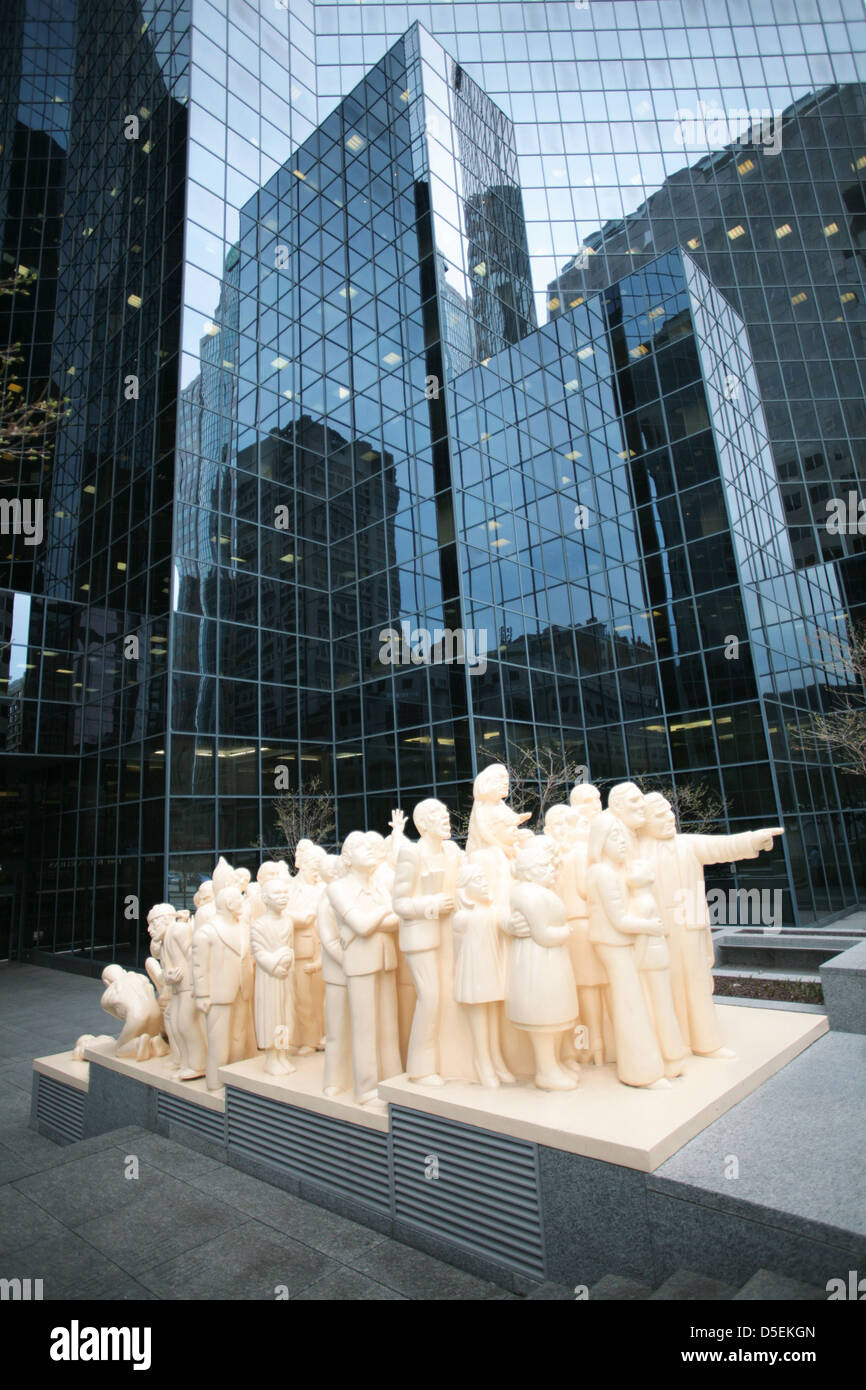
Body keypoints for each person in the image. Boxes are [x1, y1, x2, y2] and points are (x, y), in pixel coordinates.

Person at [639, 793, 784, 1057]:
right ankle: (673, 1044)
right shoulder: (635, 851)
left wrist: (754, 839)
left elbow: (723, 846)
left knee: (698, 984)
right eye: (659, 815)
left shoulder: (686, 844)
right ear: (643, 822)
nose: (670, 818)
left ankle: (706, 1043)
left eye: (669, 811)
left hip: (691, 925)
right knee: (665, 988)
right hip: (658, 931)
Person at [586, 812, 669, 1090]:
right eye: (614, 836)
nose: (621, 842)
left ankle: (643, 1067)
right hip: (614, 946)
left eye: (622, 836)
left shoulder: (611, 872)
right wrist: (649, 926)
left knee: (630, 1005)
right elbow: (619, 920)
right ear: (599, 841)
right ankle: (641, 1072)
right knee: (630, 1007)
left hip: (619, 945)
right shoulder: (603, 873)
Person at [327, 831, 401, 1104]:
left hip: (384, 959)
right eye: (360, 846)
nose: (369, 849)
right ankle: (367, 1088)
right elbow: (360, 924)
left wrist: (369, 922)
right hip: (359, 964)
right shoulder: (338, 888)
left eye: (371, 846)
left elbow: (396, 921)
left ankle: (392, 1079)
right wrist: (381, 914)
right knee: (365, 1028)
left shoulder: (379, 885)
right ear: (346, 857)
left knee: (388, 1025)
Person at [392, 799, 463, 1086]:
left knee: (449, 997)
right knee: (430, 998)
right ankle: (420, 1067)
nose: (446, 817)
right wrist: (431, 904)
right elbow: (399, 903)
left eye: (447, 813)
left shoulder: (452, 850)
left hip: (449, 935)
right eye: (438, 815)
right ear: (422, 824)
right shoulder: (411, 854)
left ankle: (450, 1060)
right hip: (421, 937)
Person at [506, 836, 580, 1091]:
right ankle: (546, 1070)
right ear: (532, 870)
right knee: (544, 1014)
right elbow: (543, 934)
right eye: (546, 867)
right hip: (539, 960)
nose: (553, 871)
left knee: (554, 1013)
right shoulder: (528, 894)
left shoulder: (537, 891)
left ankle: (554, 1065)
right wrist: (567, 931)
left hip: (549, 959)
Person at [191, 856, 257, 1091]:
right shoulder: (207, 931)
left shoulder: (242, 927)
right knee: (218, 1041)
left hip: (242, 989)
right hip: (219, 994)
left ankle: (238, 1079)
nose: (243, 901)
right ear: (229, 903)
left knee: (239, 1036)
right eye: (239, 900)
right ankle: (215, 1081)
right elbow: (199, 966)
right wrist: (202, 995)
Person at [452, 859, 510, 1087]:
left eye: (484, 879)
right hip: (474, 971)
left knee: (494, 1010)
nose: (484, 883)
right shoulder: (463, 918)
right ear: (465, 889)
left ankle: (496, 1057)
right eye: (477, 880)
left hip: (491, 965)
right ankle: (482, 1060)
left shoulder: (492, 911)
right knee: (479, 1014)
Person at [250, 867, 296, 1075]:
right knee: (271, 1014)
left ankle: (282, 1053)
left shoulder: (288, 921)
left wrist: (288, 961)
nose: (283, 897)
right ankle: (271, 1056)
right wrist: (276, 964)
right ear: (265, 898)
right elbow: (258, 952)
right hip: (269, 978)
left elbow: (291, 947)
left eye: (285, 893)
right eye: (277, 894)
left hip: (285, 976)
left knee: (285, 1014)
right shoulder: (259, 924)